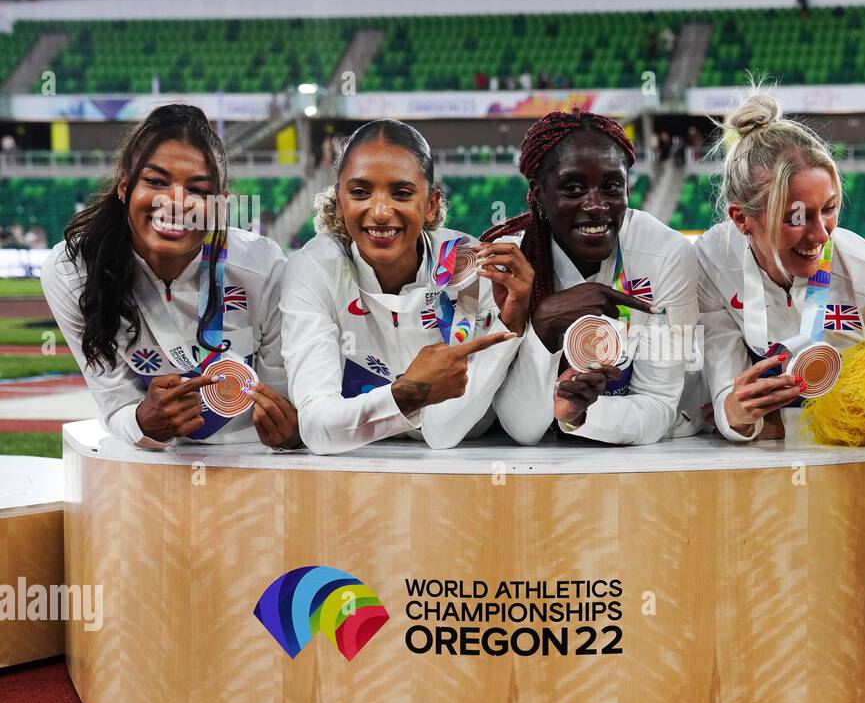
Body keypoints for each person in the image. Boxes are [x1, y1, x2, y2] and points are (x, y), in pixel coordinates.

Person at [41, 103, 299, 449]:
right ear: (124, 186)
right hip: (154, 469)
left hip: (252, 462)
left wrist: (292, 431)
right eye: (156, 181)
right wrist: (142, 422)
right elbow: (114, 401)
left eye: (198, 190)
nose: (176, 202)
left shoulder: (264, 267)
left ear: (222, 203)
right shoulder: (74, 270)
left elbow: (281, 400)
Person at [280, 119, 528, 454]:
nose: (381, 211)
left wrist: (511, 324)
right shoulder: (313, 269)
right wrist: (410, 391)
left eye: (401, 192)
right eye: (359, 192)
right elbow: (316, 427)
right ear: (339, 203)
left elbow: (442, 433)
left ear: (430, 204)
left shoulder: (465, 264)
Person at [695, 92, 865, 442]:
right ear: (741, 218)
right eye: (796, 217)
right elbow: (728, 399)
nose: (820, 234)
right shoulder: (713, 260)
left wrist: (787, 425)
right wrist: (736, 415)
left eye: (829, 208)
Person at [484, 108, 697, 445]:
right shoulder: (507, 265)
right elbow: (521, 429)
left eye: (613, 186)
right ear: (538, 194)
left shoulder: (668, 255)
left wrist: (578, 415)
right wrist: (544, 324)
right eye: (573, 189)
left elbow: (660, 405)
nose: (596, 205)